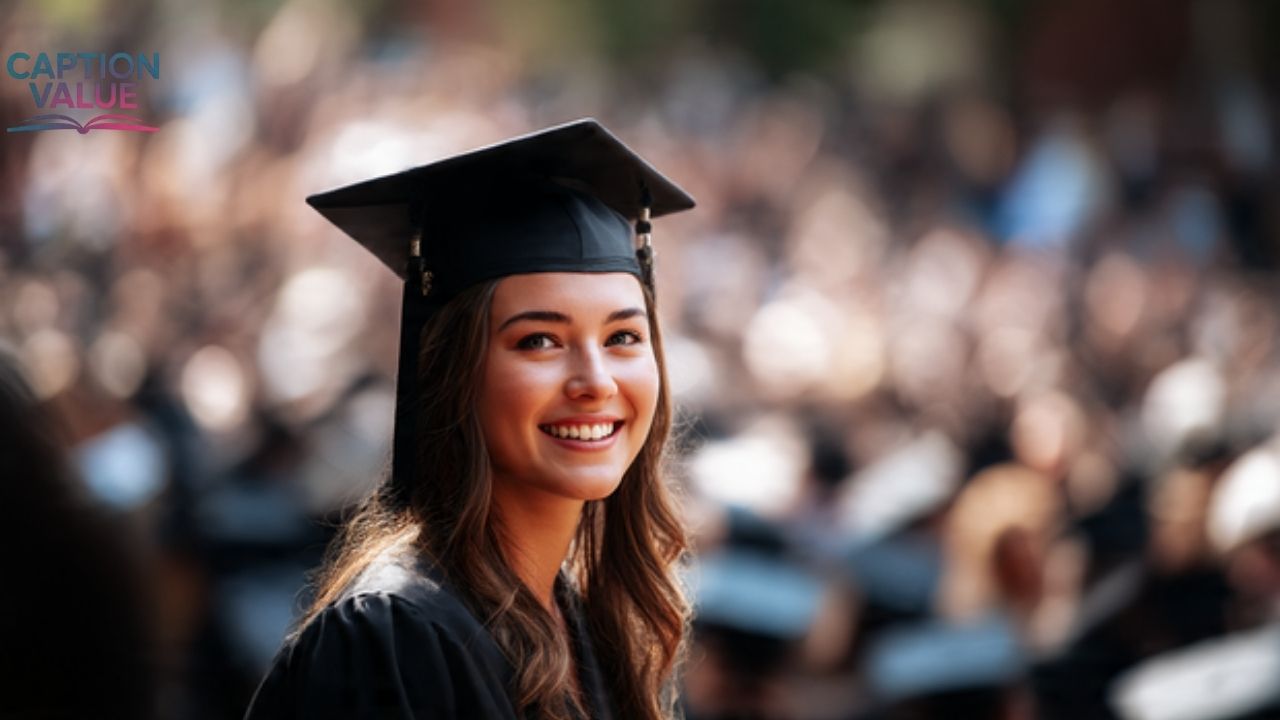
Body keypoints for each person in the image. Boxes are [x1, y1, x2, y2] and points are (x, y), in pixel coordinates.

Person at [243, 119, 695, 720]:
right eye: (538, 340)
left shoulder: (583, 621)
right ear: (454, 373)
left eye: (623, 337)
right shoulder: (395, 637)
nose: (597, 382)